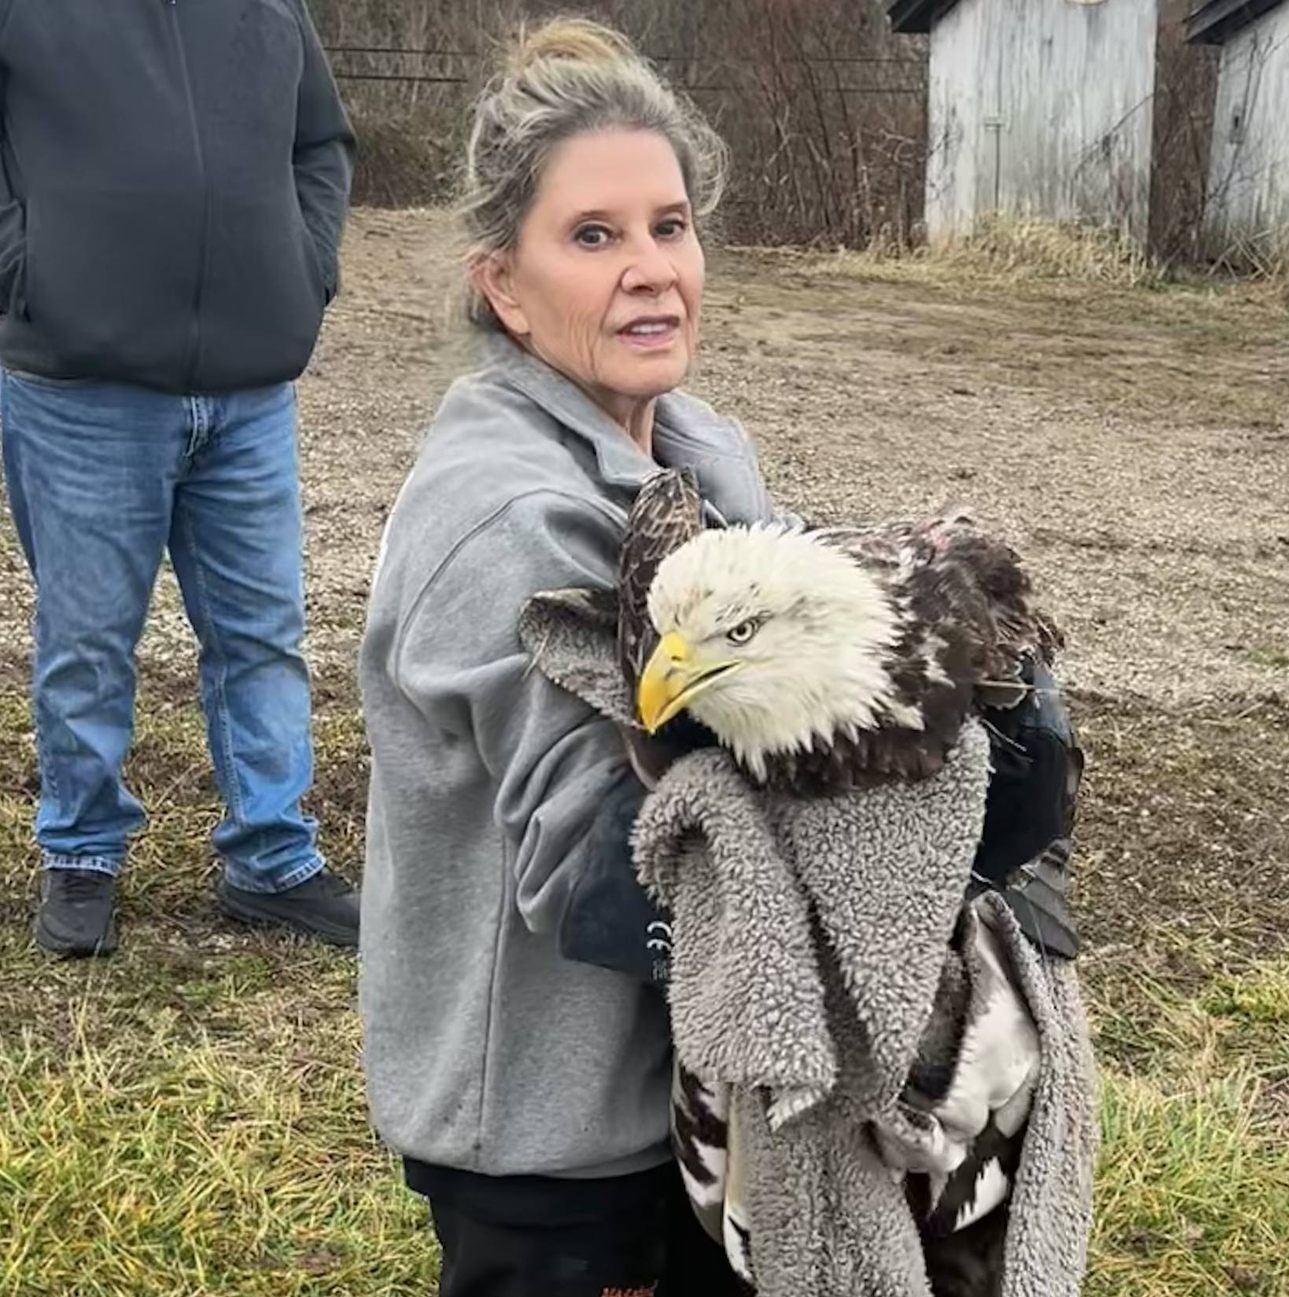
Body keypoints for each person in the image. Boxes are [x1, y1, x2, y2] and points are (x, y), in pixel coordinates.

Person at [358, 19, 1080, 1297]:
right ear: (501, 285)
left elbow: (786, 718)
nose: (649, 269)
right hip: (561, 1139)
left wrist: (952, 696)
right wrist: (928, 837)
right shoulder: (504, 516)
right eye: (593, 236)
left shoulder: (696, 450)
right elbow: (593, 874)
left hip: (702, 1091)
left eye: (669, 226)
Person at [0, 0, 360, 958]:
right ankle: (80, 850)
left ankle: (273, 856)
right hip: (80, 386)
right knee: (86, 638)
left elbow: (320, 143)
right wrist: (27, 274)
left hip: (249, 387)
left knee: (262, 631)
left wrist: (305, 266)